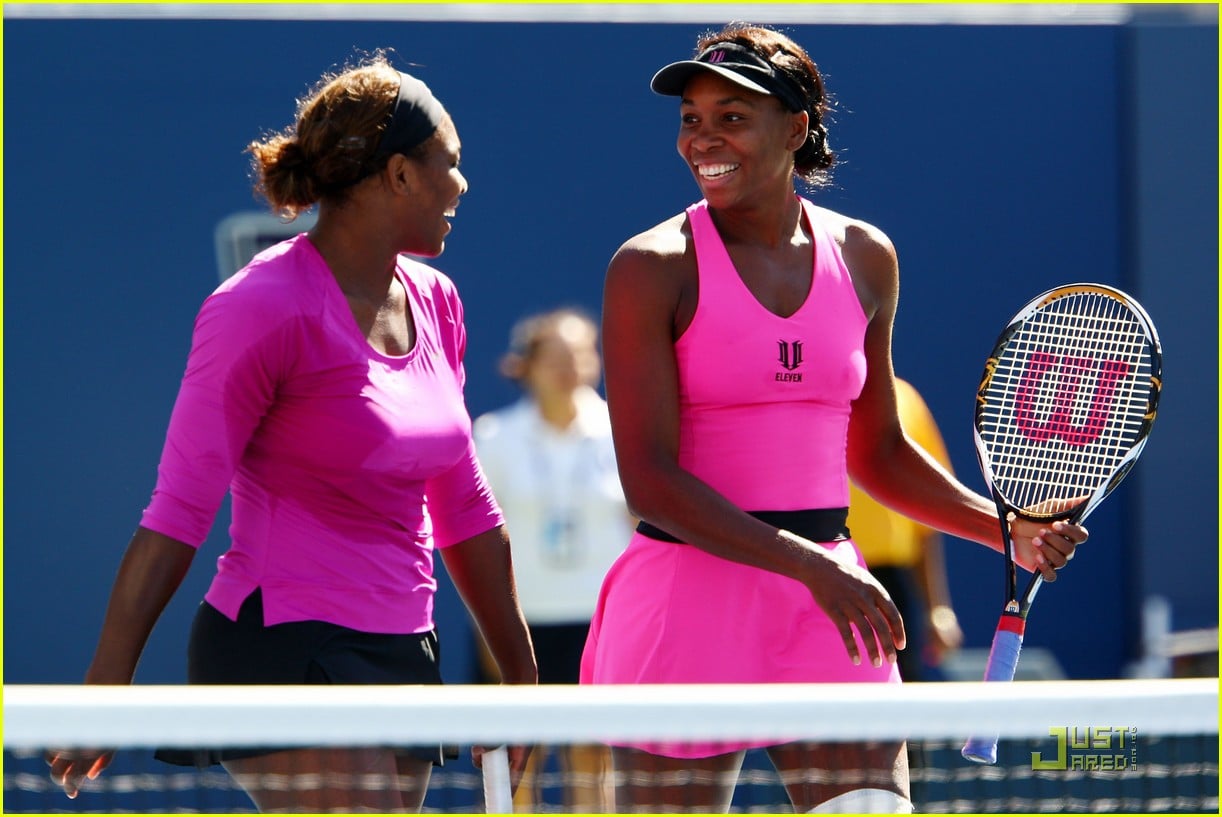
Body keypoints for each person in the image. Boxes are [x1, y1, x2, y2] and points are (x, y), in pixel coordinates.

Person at [579, 23, 1086, 814]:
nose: (702, 137)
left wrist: (1003, 527)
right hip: (689, 600)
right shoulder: (649, 267)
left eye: (732, 116)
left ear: (795, 127)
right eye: (691, 117)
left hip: (828, 607)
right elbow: (649, 480)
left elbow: (878, 450)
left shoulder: (867, 256)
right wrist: (814, 567)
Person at [45, 53, 536, 813]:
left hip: (405, 646)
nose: (463, 184)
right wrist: (103, 690)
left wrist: (522, 684)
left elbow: (464, 507)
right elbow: (177, 513)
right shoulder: (259, 307)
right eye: (452, 163)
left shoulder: (439, 301)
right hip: (283, 640)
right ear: (400, 173)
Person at [473, 308, 631, 812]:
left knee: (593, 759)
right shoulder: (495, 437)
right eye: (557, 357)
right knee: (519, 761)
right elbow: (475, 540)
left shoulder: (622, 432)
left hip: (600, 625)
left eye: (581, 354)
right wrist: (487, 623)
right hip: (518, 626)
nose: (570, 367)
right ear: (529, 365)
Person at [848, 378, 963, 684]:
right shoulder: (804, 399)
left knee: (894, 717)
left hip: (890, 586)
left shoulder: (907, 398)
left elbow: (927, 521)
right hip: (816, 578)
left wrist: (937, 608)